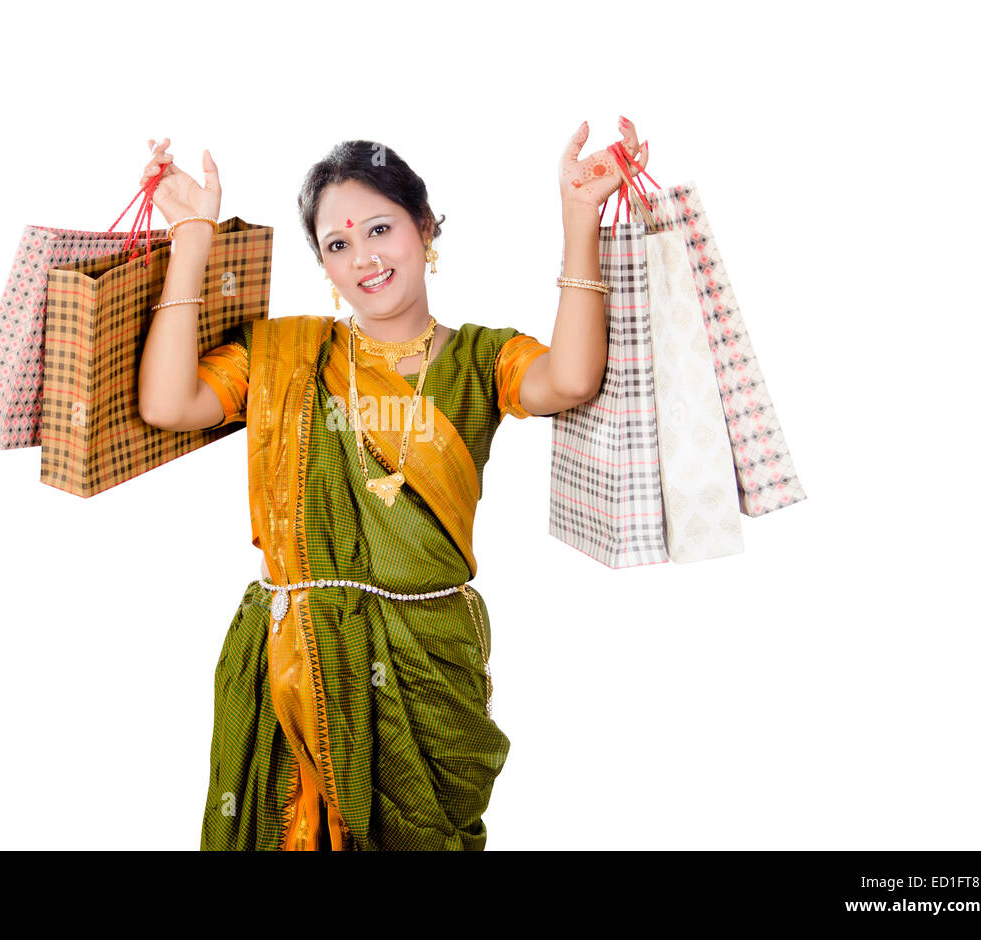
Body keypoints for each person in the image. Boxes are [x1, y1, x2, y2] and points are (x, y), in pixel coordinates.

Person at [137, 121, 637, 849]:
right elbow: (167, 405)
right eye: (339, 245)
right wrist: (190, 239)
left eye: (381, 229)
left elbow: (570, 378)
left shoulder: (481, 358)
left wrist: (579, 218)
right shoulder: (286, 356)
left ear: (425, 228)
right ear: (324, 264)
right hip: (297, 662)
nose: (364, 258)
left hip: (426, 664)